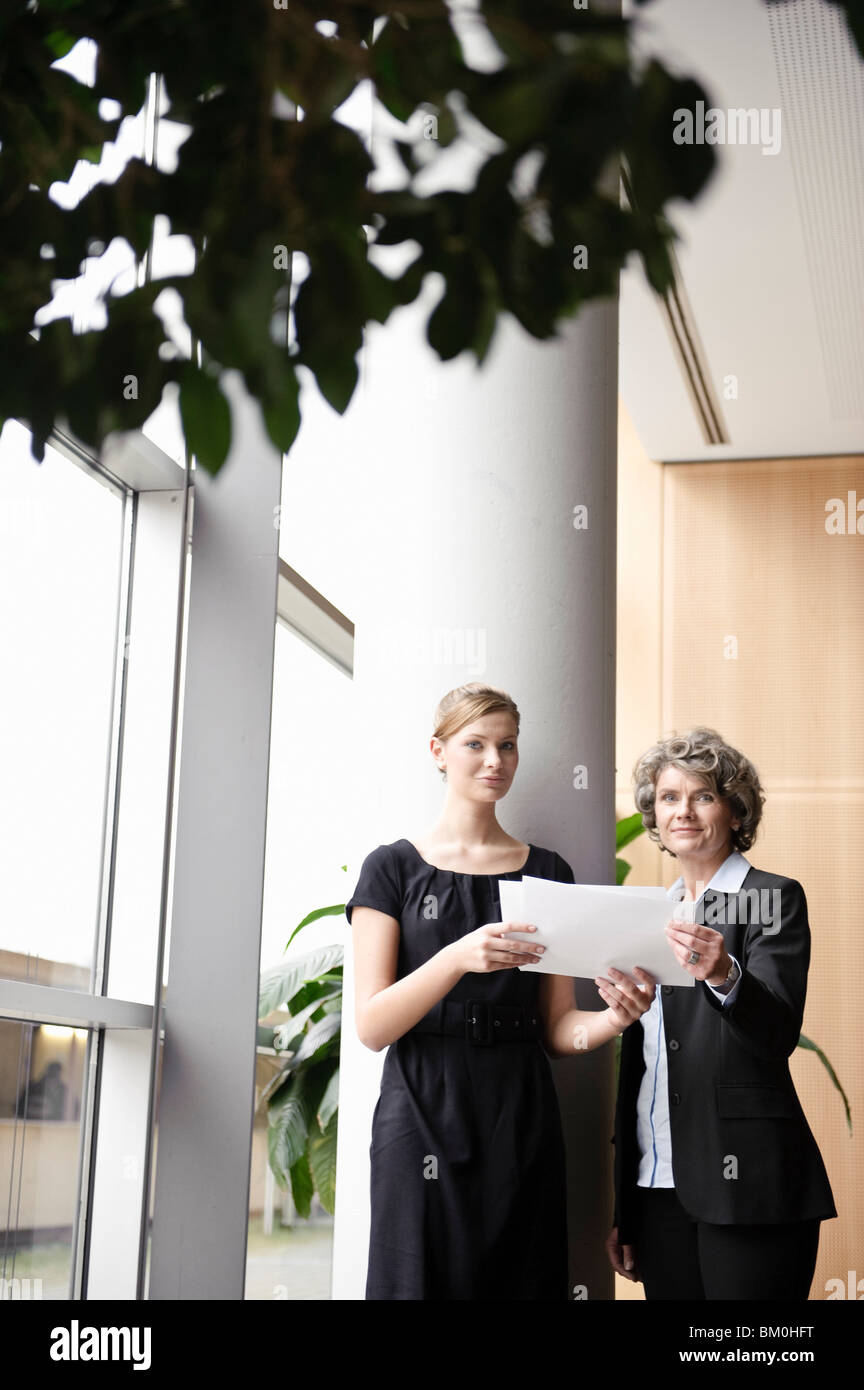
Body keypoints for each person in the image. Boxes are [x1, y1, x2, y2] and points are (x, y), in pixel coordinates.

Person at [347, 682, 655, 1300]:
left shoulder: (546, 873)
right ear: (438, 751)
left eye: (508, 746)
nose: (496, 761)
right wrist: (459, 956)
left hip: (518, 1109)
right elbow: (373, 1026)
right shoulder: (392, 868)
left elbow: (559, 1029)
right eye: (476, 744)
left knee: (522, 1280)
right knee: (415, 1281)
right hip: (420, 1107)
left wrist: (616, 1019)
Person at [606, 727, 837, 1300]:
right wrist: (625, 1205)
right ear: (654, 818)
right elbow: (645, 1068)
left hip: (749, 1182)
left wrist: (724, 973)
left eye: (703, 796)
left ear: (735, 811)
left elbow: (777, 1032)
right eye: (668, 798)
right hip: (657, 1186)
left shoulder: (774, 897)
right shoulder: (644, 915)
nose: (683, 810)